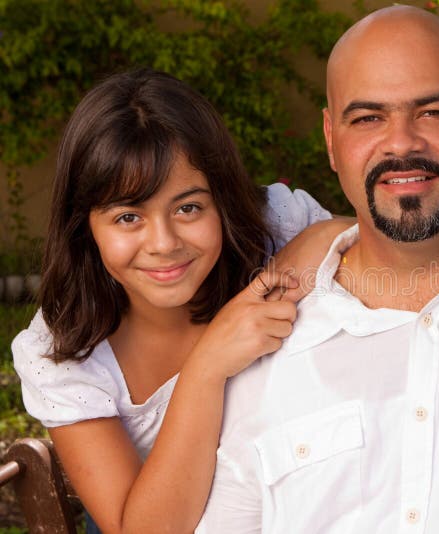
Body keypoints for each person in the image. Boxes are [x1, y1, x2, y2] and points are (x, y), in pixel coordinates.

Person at [196, 6, 439, 533]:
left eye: (433, 112)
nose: (402, 142)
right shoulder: (265, 337)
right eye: (367, 118)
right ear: (331, 139)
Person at [12, 68, 345, 533]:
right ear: (84, 225)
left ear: (222, 202)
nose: (164, 242)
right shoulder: (64, 349)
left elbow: (344, 237)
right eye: (128, 217)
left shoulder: (271, 232)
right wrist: (208, 364)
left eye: (188, 208)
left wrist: (254, 295)